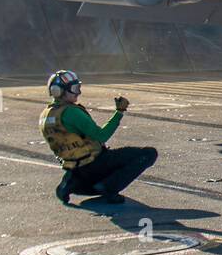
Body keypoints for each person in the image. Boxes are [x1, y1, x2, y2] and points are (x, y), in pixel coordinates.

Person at [39, 70, 157, 205]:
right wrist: (119, 112)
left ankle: (70, 183)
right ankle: (109, 188)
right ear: (59, 91)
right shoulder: (70, 112)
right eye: (74, 89)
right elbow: (102, 136)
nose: (78, 93)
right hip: (94, 163)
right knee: (148, 154)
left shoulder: (46, 114)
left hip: (75, 168)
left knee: (93, 182)